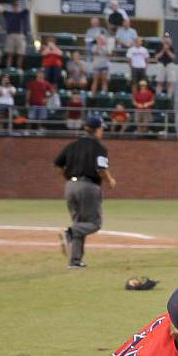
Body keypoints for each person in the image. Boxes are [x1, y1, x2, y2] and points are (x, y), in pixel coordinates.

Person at [54, 115, 115, 268]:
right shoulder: (99, 147)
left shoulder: (72, 145)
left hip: (70, 186)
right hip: (88, 186)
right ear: (97, 130)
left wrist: (69, 179)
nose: (102, 131)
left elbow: (57, 165)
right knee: (94, 224)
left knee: (79, 223)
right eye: (102, 128)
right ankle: (69, 232)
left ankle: (75, 261)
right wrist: (110, 180)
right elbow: (101, 169)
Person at [0, 0, 30, 69]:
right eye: (14, 6)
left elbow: (29, 7)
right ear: (12, 7)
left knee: (20, 55)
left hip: (20, 35)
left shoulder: (21, 14)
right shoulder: (8, 14)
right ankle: (8, 70)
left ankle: (19, 70)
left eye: (17, 6)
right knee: (10, 54)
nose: (16, 7)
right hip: (11, 35)